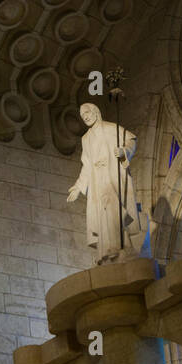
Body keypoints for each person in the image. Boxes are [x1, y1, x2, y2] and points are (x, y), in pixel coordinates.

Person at [67, 101, 141, 263]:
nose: (85, 116)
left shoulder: (110, 128)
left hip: (111, 173)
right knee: (101, 212)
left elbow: (131, 140)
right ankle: (105, 251)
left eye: (87, 112)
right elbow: (86, 164)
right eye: (82, 115)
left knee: (112, 205)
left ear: (96, 111)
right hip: (96, 179)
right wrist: (78, 187)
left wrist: (124, 152)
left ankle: (119, 246)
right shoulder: (85, 139)